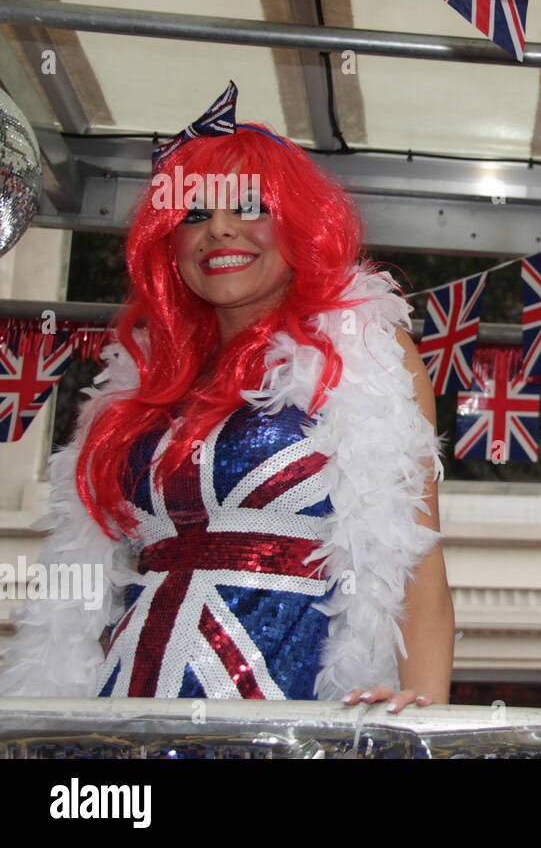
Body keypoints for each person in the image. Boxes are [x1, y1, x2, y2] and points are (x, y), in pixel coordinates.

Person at [0, 83, 454, 710]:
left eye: (247, 205)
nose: (218, 229)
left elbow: (417, 559)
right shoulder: (140, 385)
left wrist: (423, 718)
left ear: (296, 223)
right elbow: (87, 583)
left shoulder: (366, 350)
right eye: (192, 213)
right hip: (125, 715)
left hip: (287, 718)